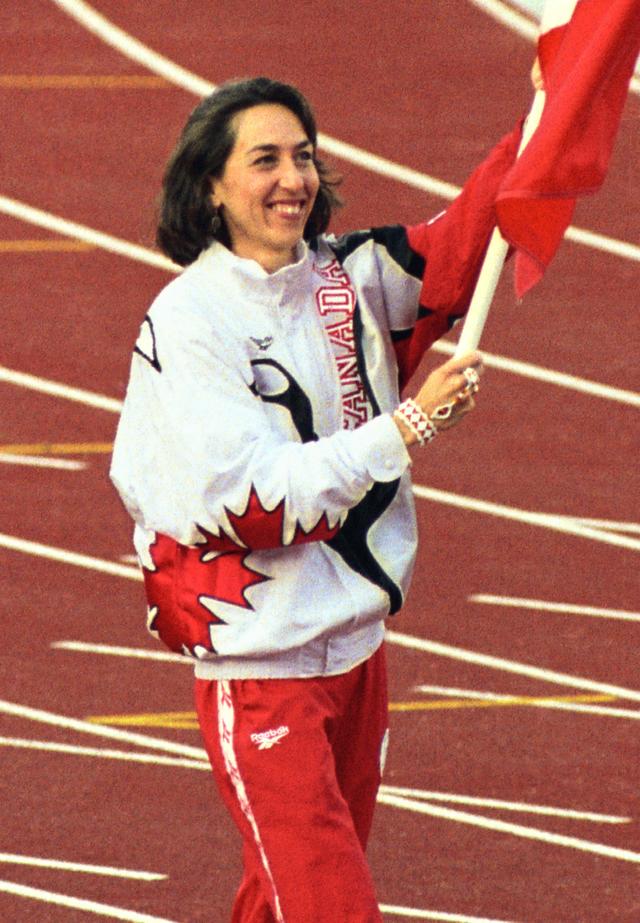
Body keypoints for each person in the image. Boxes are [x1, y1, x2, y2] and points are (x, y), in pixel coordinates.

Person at [110, 76, 522, 922]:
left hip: (358, 653)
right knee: (330, 905)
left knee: (282, 901)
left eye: (303, 155)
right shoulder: (189, 322)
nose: (293, 178)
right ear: (211, 188)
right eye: (264, 160)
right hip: (263, 667)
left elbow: (471, 239)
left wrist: (549, 118)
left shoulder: (351, 278)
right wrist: (404, 428)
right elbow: (248, 502)